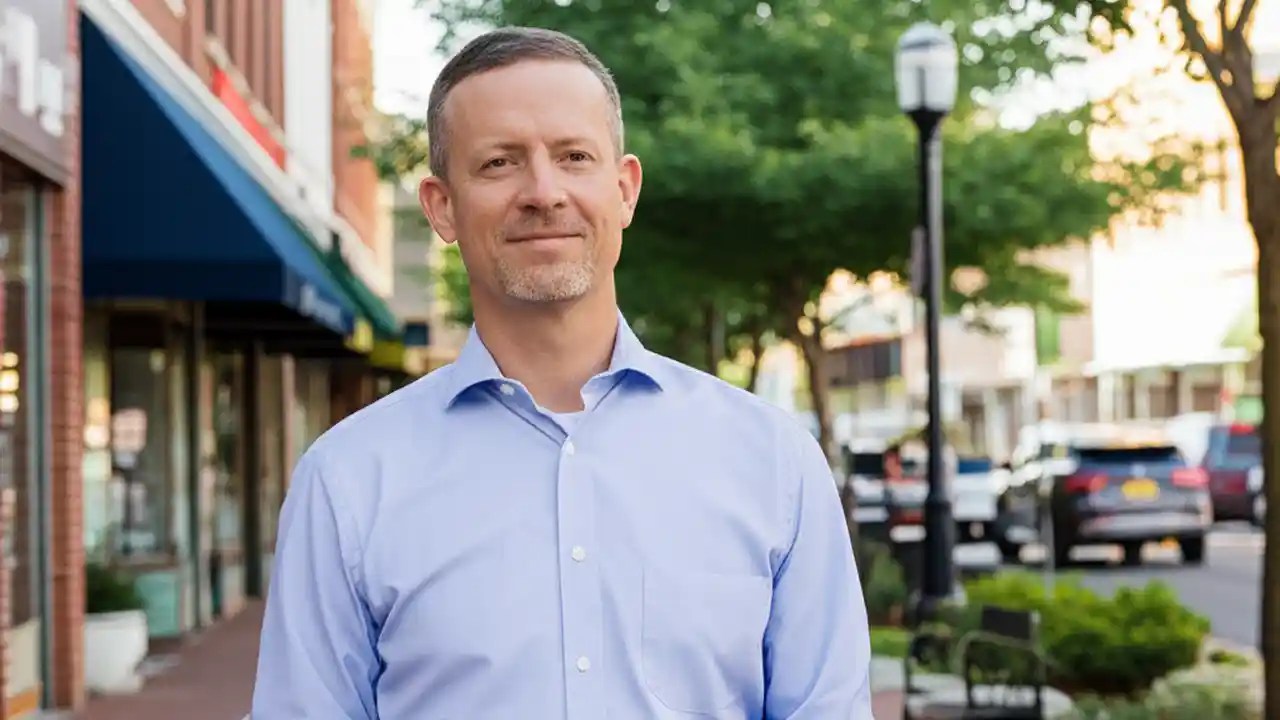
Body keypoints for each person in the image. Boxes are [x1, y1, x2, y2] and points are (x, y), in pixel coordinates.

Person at [251, 26, 872, 719]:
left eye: (574, 157)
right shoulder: (347, 480)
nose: (543, 192)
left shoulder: (773, 463)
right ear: (441, 206)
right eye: (499, 163)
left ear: (625, 189)